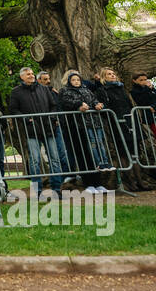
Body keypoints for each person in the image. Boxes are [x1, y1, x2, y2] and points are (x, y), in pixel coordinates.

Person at [7, 67, 69, 198]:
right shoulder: (16, 92)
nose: (31, 75)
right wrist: (25, 118)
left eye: (31, 73)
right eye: (27, 74)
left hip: (48, 128)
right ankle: (37, 190)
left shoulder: (44, 89)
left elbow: (53, 105)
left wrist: (52, 117)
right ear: (22, 77)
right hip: (31, 130)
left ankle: (56, 189)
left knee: (54, 159)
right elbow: (13, 109)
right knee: (34, 160)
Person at [57, 71, 111, 192]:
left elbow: (93, 100)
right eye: (73, 80)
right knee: (83, 154)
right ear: (69, 81)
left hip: (91, 124)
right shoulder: (65, 91)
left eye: (78, 79)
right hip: (76, 126)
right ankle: (88, 183)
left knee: (94, 155)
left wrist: (97, 105)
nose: (76, 82)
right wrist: (78, 105)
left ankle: (98, 183)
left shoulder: (87, 90)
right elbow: (64, 103)